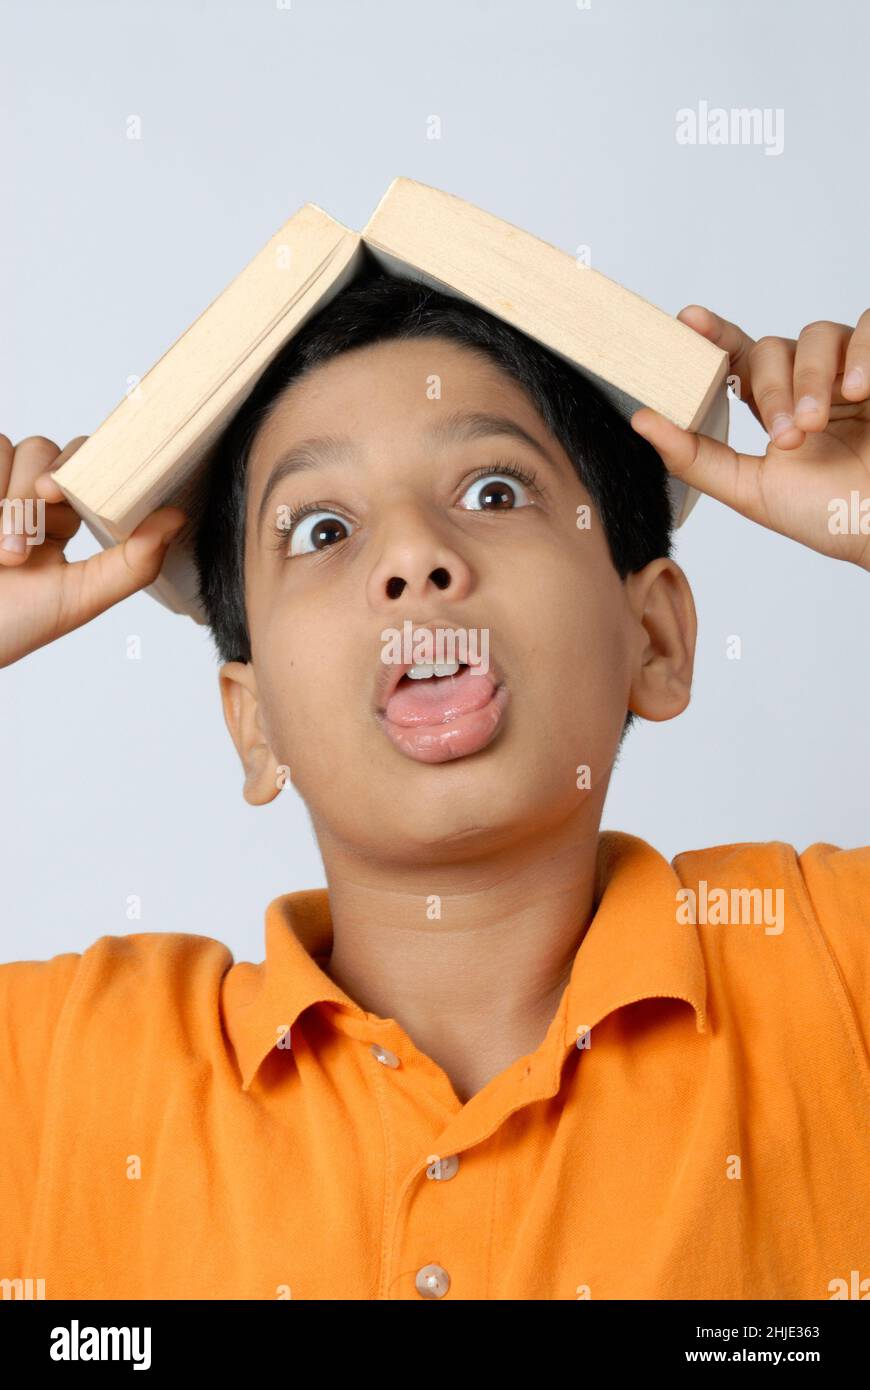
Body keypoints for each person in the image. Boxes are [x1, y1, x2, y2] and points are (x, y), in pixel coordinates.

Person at [1, 267, 868, 1301]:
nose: (415, 554)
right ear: (255, 721)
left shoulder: (834, 975)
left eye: (493, 491)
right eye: (321, 529)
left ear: (655, 636)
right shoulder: (59, 1081)